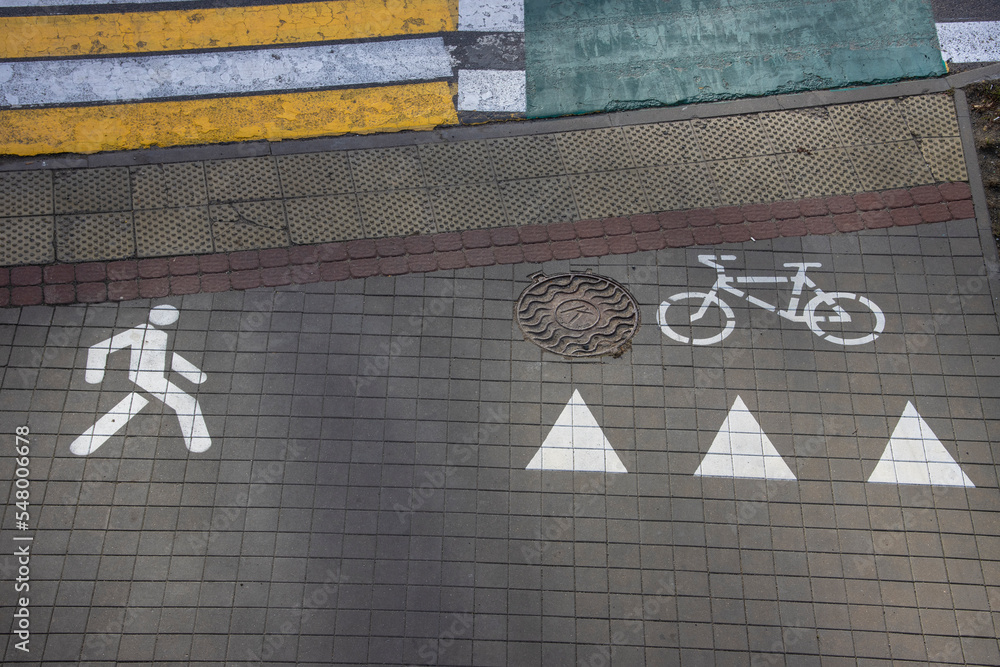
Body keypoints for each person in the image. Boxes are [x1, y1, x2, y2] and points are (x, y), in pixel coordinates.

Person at [71, 304, 211, 455]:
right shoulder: (141, 331)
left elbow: (169, 357)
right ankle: (198, 442)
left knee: (127, 408)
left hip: (152, 379)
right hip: (147, 379)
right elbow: (101, 349)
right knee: (186, 403)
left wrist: (195, 375)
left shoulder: (162, 335)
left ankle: (85, 443)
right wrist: (94, 374)